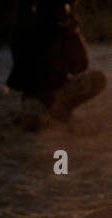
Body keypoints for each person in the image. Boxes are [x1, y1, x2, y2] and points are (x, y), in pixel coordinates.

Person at [7, 0, 106, 129]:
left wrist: (73, 33)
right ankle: (41, 112)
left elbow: (81, 65)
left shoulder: (65, 30)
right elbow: (22, 73)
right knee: (32, 123)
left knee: (98, 78)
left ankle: (60, 111)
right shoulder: (29, 29)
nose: (65, 12)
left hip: (59, 90)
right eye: (63, 9)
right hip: (37, 95)